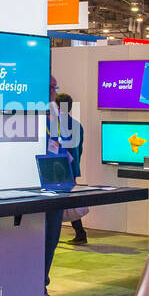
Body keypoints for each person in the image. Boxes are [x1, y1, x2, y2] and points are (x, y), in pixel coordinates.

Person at [55, 92, 88, 245]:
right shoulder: (77, 125)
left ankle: (79, 233)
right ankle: (80, 233)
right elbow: (79, 149)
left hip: (58, 169)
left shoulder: (55, 125)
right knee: (68, 202)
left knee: (61, 202)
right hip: (72, 168)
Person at [44, 77, 66, 296]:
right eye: (52, 87)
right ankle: (38, 286)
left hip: (55, 182)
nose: (55, 91)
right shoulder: (31, 111)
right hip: (38, 182)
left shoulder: (55, 112)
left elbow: (61, 143)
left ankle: (41, 285)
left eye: (56, 88)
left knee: (51, 238)